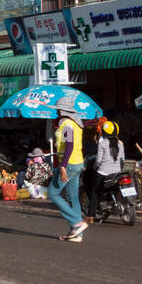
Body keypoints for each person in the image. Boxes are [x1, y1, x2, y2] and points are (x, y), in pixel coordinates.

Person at [48, 99, 87, 241]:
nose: (56, 112)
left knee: (53, 194)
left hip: (68, 164)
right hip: (77, 163)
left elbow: (69, 146)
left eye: (58, 110)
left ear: (63, 111)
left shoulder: (66, 124)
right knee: (72, 197)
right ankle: (77, 234)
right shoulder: (76, 123)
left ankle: (77, 223)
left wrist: (63, 166)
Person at [86, 119, 125, 219]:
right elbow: (122, 160)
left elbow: (98, 161)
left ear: (104, 132)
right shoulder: (120, 143)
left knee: (95, 192)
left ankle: (90, 215)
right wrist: (117, 169)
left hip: (103, 172)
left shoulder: (102, 144)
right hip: (116, 173)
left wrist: (94, 168)